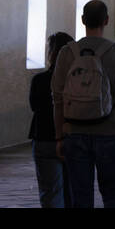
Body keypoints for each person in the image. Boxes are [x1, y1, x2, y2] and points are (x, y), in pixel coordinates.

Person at [52, 0, 115, 208]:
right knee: (113, 193)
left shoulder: (66, 53)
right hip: (109, 132)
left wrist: (59, 136)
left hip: (74, 132)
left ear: (82, 21)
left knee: (80, 195)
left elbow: (57, 98)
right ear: (106, 21)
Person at [29, 31, 74, 208]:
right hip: (71, 137)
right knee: (72, 190)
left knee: (50, 192)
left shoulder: (39, 80)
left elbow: (35, 107)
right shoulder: (78, 81)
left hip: (44, 136)